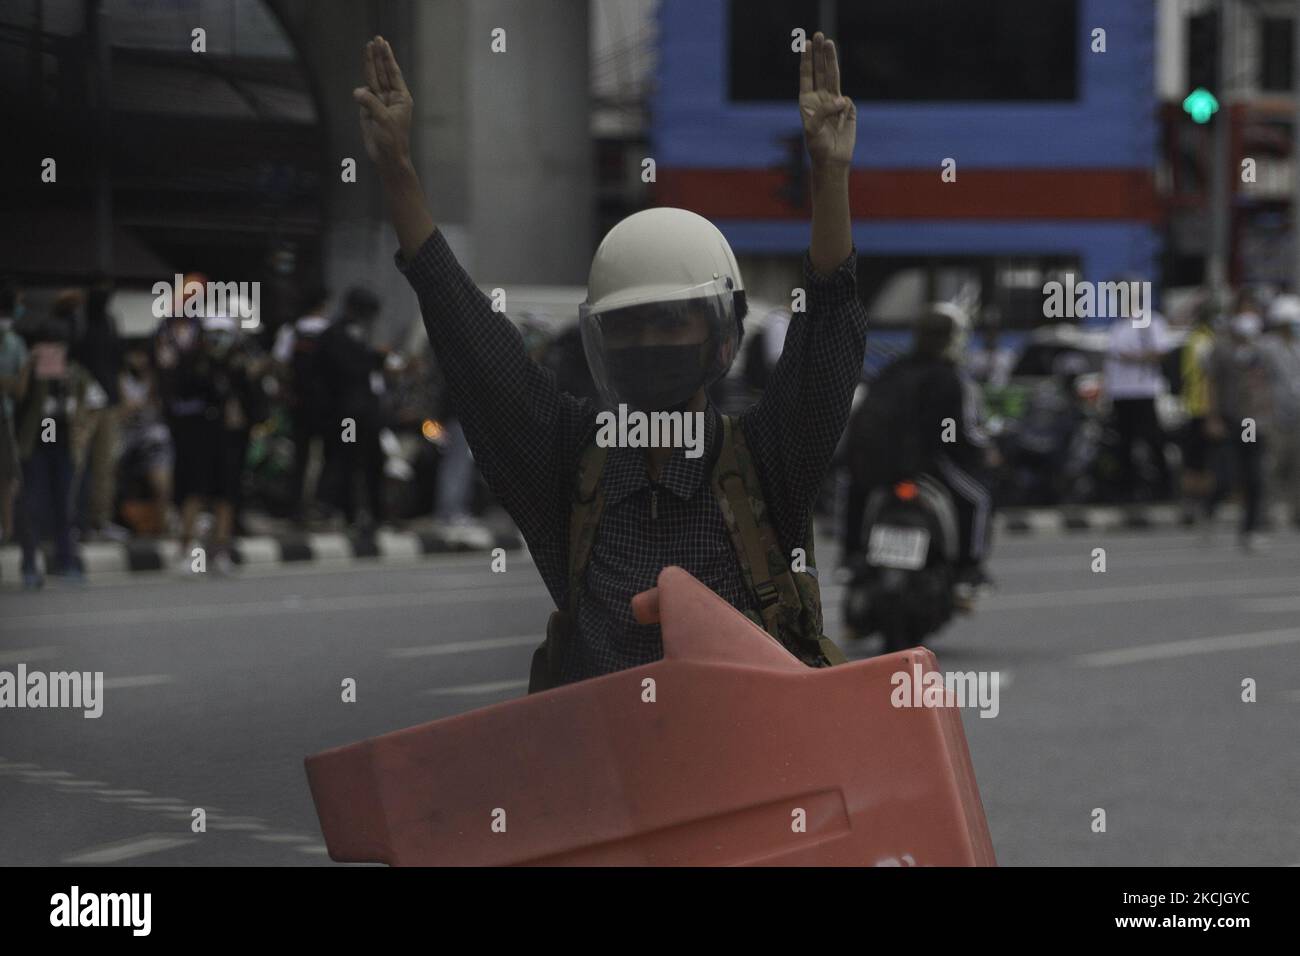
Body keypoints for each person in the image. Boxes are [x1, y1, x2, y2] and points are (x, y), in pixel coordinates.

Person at [354, 32, 866, 688]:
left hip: (747, 750)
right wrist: (398, 171)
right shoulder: (567, 464)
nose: (648, 342)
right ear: (600, 340)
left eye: (671, 321)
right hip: (602, 755)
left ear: (722, 339)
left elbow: (826, 334)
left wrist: (829, 175)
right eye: (627, 326)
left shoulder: (767, 462)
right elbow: (471, 340)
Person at [844, 305, 995, 602]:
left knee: (855, 490)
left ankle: (852, 557)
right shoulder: (951, 377)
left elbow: (865, 418)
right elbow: (963, 433)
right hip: (929, 465)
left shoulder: (892, 371)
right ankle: (968, 570)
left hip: (880, 465)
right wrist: (986, 451)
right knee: (978, 500)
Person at [13, 295, 91, 587]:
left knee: (64, 506)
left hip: (62, 445)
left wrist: (80, 430)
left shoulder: (75, 373)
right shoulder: (33, 370)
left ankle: (66, 561)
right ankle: (29, 563)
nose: (53, 352)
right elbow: (19, 396)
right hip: (36, 445)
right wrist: (30, 365)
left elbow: (88, 403)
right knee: (33, 505)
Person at [317, 286, 387, 532]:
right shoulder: (336, 335)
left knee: (373, 461)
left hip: (365, 413)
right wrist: (374, 359)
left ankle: (373, 513)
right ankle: (347, 513)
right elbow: (346, 370)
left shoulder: (357, 334)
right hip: (347, 415)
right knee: (346, 459)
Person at [1206, 305, 1276, 550]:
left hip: (1252, 421)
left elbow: (1267, 386)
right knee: (1226, 475)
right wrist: (1213, 418)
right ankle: (1209, 511)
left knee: (1254, 475)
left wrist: (1267, 415)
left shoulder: (1262, 352)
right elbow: (1212, 385)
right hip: (1229, 419)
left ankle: (1250, 529)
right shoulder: (1221, 351)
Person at [1102, 288, 1173, 502]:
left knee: (1152, 438)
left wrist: (1132, 358)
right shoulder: (1117, 326)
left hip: (1142, 391)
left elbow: (1160, 352)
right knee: (1123, 442)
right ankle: (1126, 488)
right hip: (1120, 392)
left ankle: (1164, 485)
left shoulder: (1150, 322)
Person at [71, 274, 125, 540]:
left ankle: (99, 520)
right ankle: (70, 520)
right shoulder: (79, 321)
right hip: (84, 403)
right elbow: (71, 360)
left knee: (106, 464)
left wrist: (119, 397)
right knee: (77, 463)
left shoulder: (111, 322)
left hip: (109, 402)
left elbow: (117, 362)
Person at [272, 288, 332, 525]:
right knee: (327, 456)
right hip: (326, 405)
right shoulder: (331, 330)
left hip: (299, 404)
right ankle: (320, 506)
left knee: (299, 457)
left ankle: (295, 507)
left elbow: (280, 364)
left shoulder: (291, 330)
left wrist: (287, 391)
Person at [1177, 296, 1219, 525]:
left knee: (1197, 461)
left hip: (1197, 407)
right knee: (1202, 461)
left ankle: (1196, 506)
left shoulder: (1195, 339)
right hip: (1204, 409)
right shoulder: (1204, 341)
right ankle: (1200, 506)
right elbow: (1210, 377)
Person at [1262, 297, 1300, 529]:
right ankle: (1269, 511)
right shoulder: (1267, 348)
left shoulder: (1298, 347)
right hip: (1274, 415)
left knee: (1297, 466)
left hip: (1297, 414)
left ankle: (1297, 511)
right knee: (1273, 465)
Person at [0, 278, 29, 544]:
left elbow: (20, 388)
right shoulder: (15, 344)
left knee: (8, 477)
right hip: (5, 419)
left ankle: (7, 530)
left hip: (5, 417)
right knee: (7, 478)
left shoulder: (16, 343)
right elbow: (18, 386)